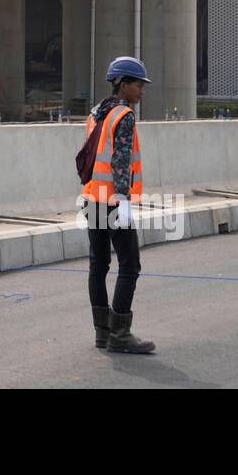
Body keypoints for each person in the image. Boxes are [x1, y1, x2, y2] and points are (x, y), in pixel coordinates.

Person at [82, 56, 155, 354]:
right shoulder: (123, 115)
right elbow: (120, 161)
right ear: (123, 85)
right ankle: (120, 335)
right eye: (138, 85)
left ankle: (103, 333)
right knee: (130, 265)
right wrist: (123, 201)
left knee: (99, 265)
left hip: (92, 199)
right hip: (113, 200)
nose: (142, 92)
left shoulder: (96, 113)